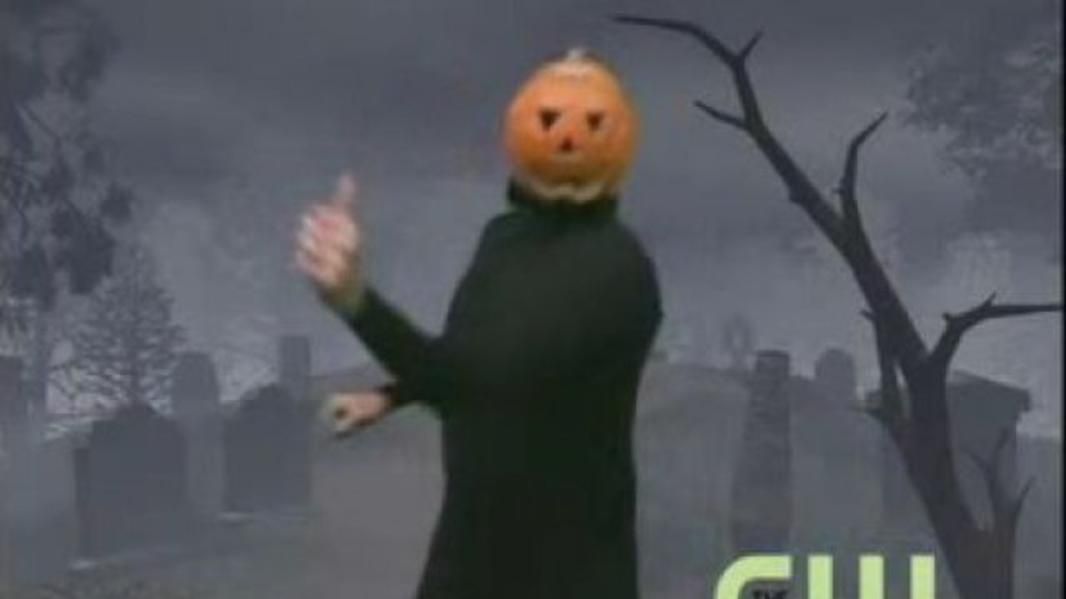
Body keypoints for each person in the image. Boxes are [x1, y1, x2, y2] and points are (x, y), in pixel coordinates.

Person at [296, 49, 661, 599]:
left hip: (567, 565)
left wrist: (355, 303)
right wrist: (392, 395)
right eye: (548, 119)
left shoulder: (618, 268)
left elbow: (481, 378)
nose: (567, 138)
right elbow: (469, 356)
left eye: (591, 123)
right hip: (473, 544)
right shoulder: (504, 239)